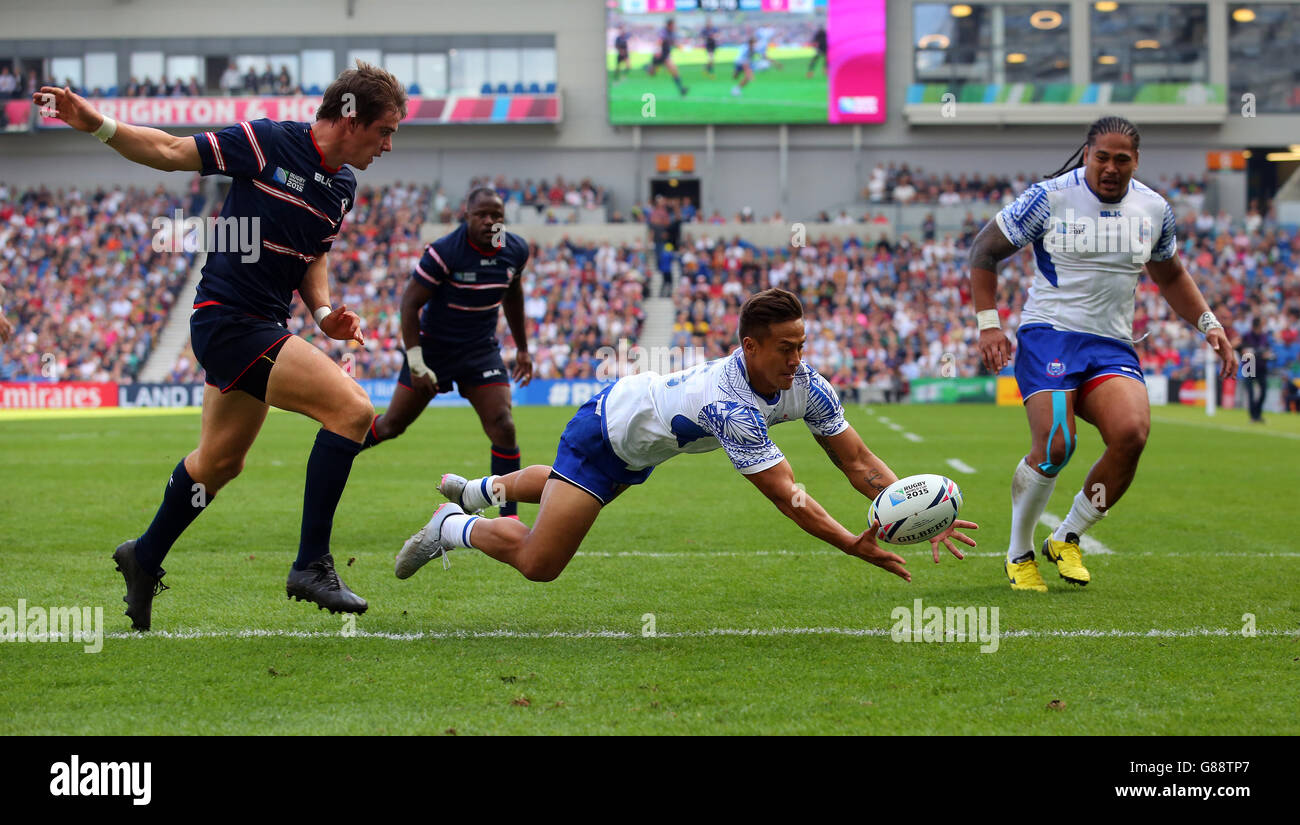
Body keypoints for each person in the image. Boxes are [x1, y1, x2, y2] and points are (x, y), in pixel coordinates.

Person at [34, 61, 408, 629]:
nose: (388, 145)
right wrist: (98, 124)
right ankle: (311, 563)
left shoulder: (343, 186)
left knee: (220, 463)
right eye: (385, 131)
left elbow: (314, 253)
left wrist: (326, 311)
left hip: (264, 326)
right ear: (350, 117)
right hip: (229, 322)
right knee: (352, 411)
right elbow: (166, 150)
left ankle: (144, 554)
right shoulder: (267, 142)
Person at [394, 288, 977, 585]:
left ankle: (483, 489)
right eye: (786, 348)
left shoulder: (809, 385)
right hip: (605, 431)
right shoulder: (732, 407)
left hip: (642, 445)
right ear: (750, 346)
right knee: (540, 562)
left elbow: (859, 463)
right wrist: (851, 541)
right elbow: (789, 495)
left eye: (802, 346)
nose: (798, 359)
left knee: (563, 489)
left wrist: (908, 504)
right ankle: (455, 527)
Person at [969, 115, 1238, 592]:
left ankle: (1067, 536)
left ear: (1136, 162)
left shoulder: (1154, 209)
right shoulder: (1049, 196)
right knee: (1056, 443)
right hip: (1049, 334)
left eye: (1122, 159)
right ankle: (1018, 553)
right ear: (1087, 154)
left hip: (1111, 343)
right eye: (1102, 157)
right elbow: (983, 251)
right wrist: (989, 326)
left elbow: (1170, 275)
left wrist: (1209, 323)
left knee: (1132, 434)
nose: (1111, 168)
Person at [361, 188, 532, 519]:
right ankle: (340, 448)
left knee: (504, 425)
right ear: (466, 217)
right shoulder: (444, 252)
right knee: (391, 425)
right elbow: (409, 304)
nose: (489, 221)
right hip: (433, 351)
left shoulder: (515, 250)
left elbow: (513, 295)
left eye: (496, 215)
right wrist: (416, 362)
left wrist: (522, 349)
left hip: (480, 351)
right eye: (481, 214)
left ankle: (507, 517)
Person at [1237, 317, 1273, 423]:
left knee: (1263, 392)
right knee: (1251, 393)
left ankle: (1257, 413)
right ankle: (1253, 416)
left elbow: (1267, 350)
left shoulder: (1264, 337)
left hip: (1261, 367)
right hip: (1249, 367)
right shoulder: (1246, 336)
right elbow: (1242, 350)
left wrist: (1266, 354)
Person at [645, 17, 689, 97]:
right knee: (651, 73)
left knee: (674, 70)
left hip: (666, 56)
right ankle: (645, 67)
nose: (674, 27)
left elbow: (673, 43)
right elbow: (659, 42)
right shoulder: (663, 32)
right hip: (659, 55)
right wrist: (657, 51)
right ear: (669, 25)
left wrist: (680, 47)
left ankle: (681, 89)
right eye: (673, 25)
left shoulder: (672, 33)